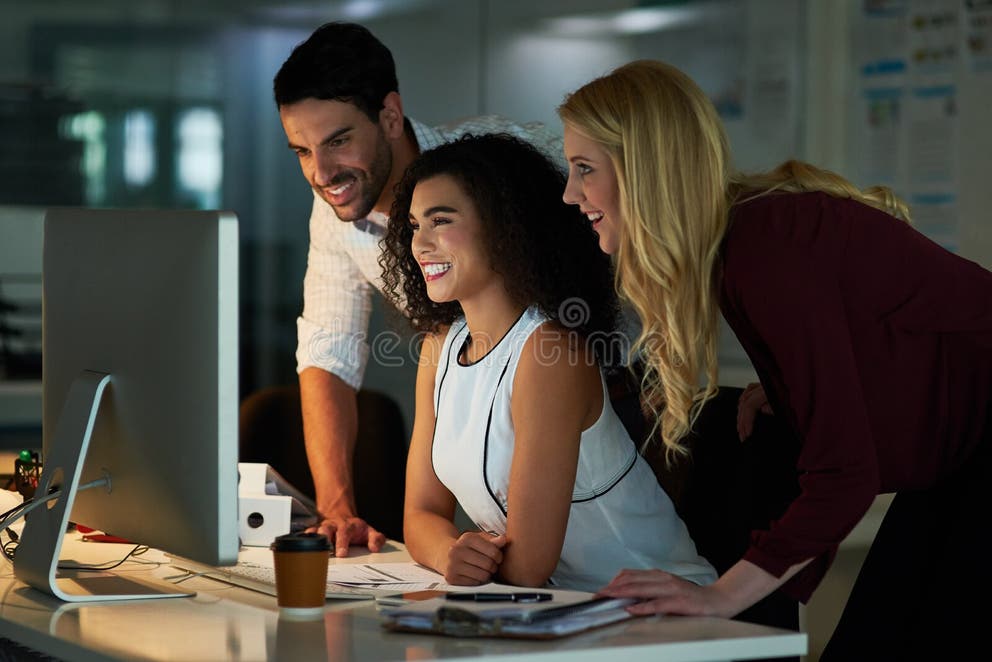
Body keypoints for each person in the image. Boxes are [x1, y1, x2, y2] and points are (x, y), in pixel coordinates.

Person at [558, 59, 991, 657]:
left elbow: (844, 473)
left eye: (585, 170)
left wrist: (719, 598)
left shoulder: (764, 251)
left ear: (645, 170)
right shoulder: (744, 238)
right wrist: (797, 388)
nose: (570, 193)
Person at [272, 22, 564, 556]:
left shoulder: (496, 161)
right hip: (488, 443)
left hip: (595, 402)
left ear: (389, 116)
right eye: (301, 152)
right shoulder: (337, 211)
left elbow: (629, 229)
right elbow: (327, 350)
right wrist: (337, 511)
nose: (321, 172)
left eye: (338, 141)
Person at [380, 133, 717, 591]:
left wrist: (466, 556)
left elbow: (527, 567)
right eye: (415, 225)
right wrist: (451, 553)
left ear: (504, 227)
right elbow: (419, 514)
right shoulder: (438, 347)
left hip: (649, 609)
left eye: (441, 220)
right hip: (553, 609)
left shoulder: (549, 354)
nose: (420, 243)